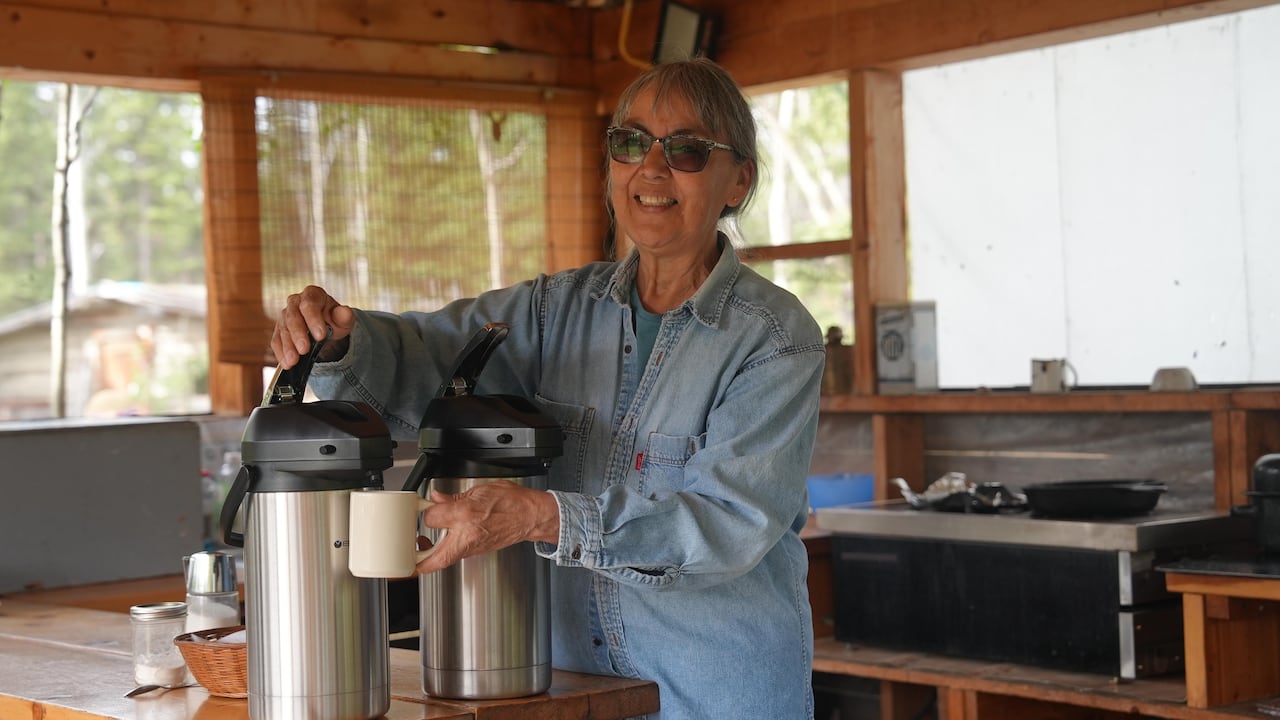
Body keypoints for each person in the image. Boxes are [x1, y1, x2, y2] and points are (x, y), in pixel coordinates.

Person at [270, 57, 825, 719]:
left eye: (686, 150)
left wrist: (544, 516)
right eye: (630, 143)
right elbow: (429, 358)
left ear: (739, 180)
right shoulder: (551, 311)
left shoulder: (775, 337)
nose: (651, 169)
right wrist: (339, 340)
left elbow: (725, 522)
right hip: (572, 696)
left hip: (715, 699)